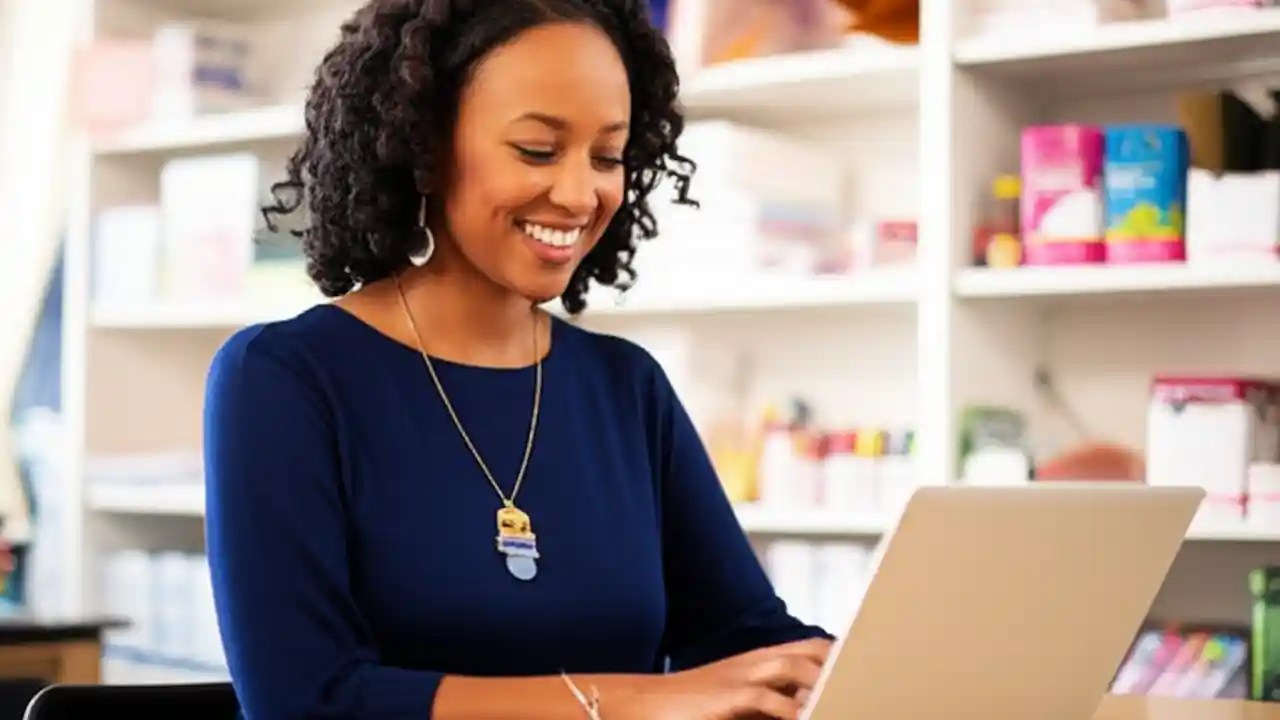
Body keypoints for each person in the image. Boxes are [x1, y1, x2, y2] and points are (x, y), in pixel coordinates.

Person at [203, 1, 833, 718]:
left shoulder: (626, 388)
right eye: (537, 150)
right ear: (424, 144)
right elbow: (305, 701)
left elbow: (746, 641)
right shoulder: (284, 378)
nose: (579, 194)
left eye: (607, 157)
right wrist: (643, 700)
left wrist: (868, 662)